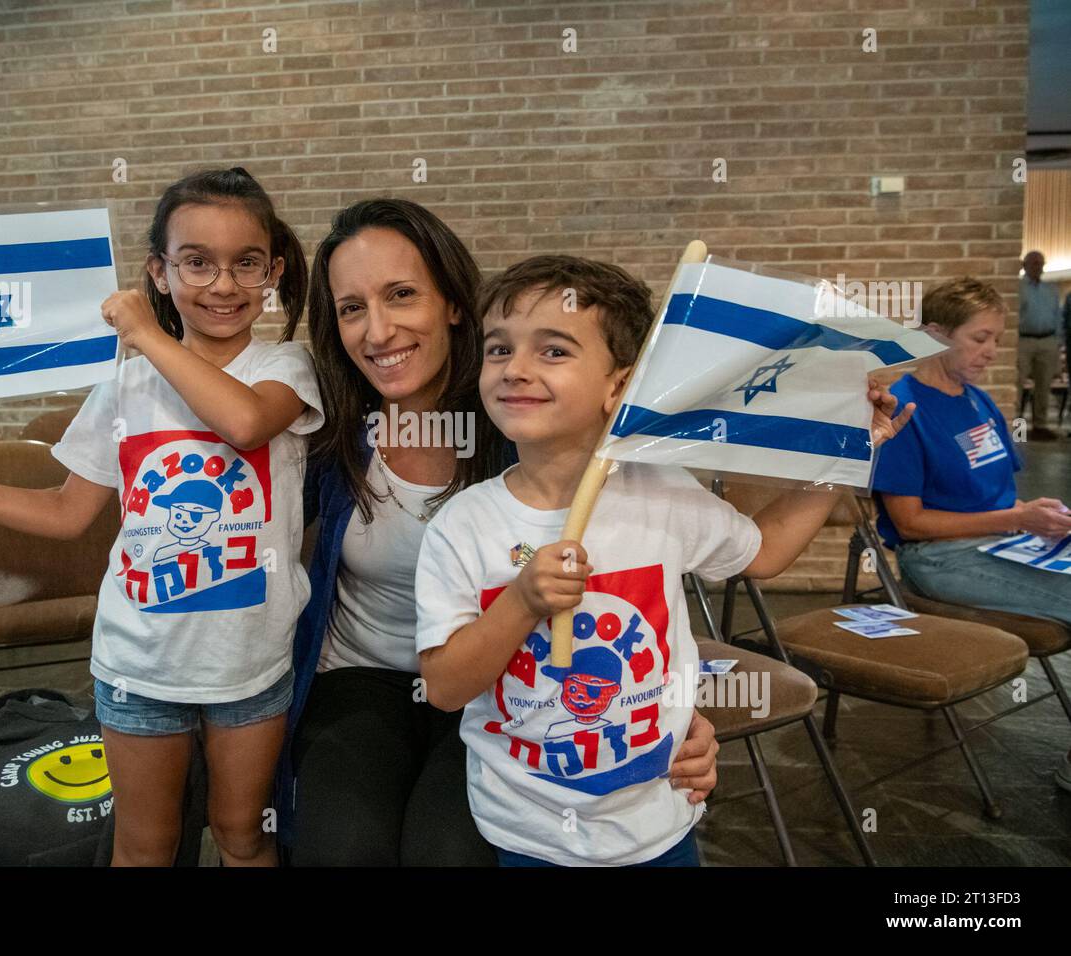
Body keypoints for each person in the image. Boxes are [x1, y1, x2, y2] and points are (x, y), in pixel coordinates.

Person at [0, 168, 323, 865]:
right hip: (138, 662)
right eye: (196, 262)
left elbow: (243, 422)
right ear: (160, 272)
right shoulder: (124, 383)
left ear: (274, 272)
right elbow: (65, 510)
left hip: (250, 664)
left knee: (241, 835)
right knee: (144, 847)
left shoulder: (285, 366)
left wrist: (146, 332)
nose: (222, 283)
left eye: (245, 263)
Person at [413, 255, 912, 866]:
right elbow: (442, 687)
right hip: (527, 830)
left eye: (553, 351)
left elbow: (766, 552)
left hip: (659, 817)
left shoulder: (662, 493)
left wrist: (845, 451)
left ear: (619, 386)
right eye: (498, 349)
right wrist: (522, 601)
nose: (515, 369)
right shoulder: (461, 525)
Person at [281, 202, 723, 865]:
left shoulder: (531, 425)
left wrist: (677, 708)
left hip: (508, 691)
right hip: (363, 678)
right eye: (351, 308)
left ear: (456, 304)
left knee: (449, 855)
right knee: (345, 846)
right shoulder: (329, 429)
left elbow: (641, 572)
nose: (378, 330)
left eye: (401, 295)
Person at [871, 276, 1071, 793]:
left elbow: (1001, 498)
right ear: (937, 334)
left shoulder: (978, 400)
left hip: (1000, 542)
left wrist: (1034, 515)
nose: (992, 352)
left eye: (997, 340)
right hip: (937, 558)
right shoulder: (903, 406)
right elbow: (912, 524)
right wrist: (1017, 519)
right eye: (980, 338)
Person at [1018, 251, 1063, 440]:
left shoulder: (1051, 290)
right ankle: (1016, 426)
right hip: (1023, 341)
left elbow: (1057, 315)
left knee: (1043, 385)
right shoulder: (1018, 288)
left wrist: (1057, 340)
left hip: (1047, 341)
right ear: (1025, 265)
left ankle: (1040, 425)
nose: (1038, 267)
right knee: (1018, 384)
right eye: (1034, 263)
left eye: (1041, 263)